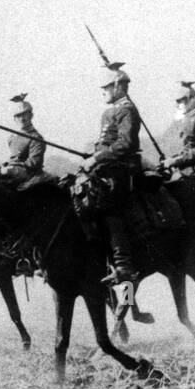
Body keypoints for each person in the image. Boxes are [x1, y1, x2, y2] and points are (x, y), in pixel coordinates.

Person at [80, 66, 143, 312]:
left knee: (109, 210)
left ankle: (122, 262)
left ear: (117, 87)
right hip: (106, 168)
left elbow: (126, 144)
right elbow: (105, 143)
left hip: (122, 172)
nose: (103, 92)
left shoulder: (127, 110)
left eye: (106, 87)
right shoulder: (110, 111)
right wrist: (94, 156)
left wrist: (97, 158)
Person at [0, 93, 45, 188]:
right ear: (14, 119)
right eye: (18, 116)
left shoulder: (36, 138)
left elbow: (34, 163)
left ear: (31, 115)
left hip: (30, 174)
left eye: (24, 114)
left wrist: (13, 169)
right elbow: (14, 157)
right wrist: (7, 165)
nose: (22, 119)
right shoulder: (12, 138)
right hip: (13, 171)